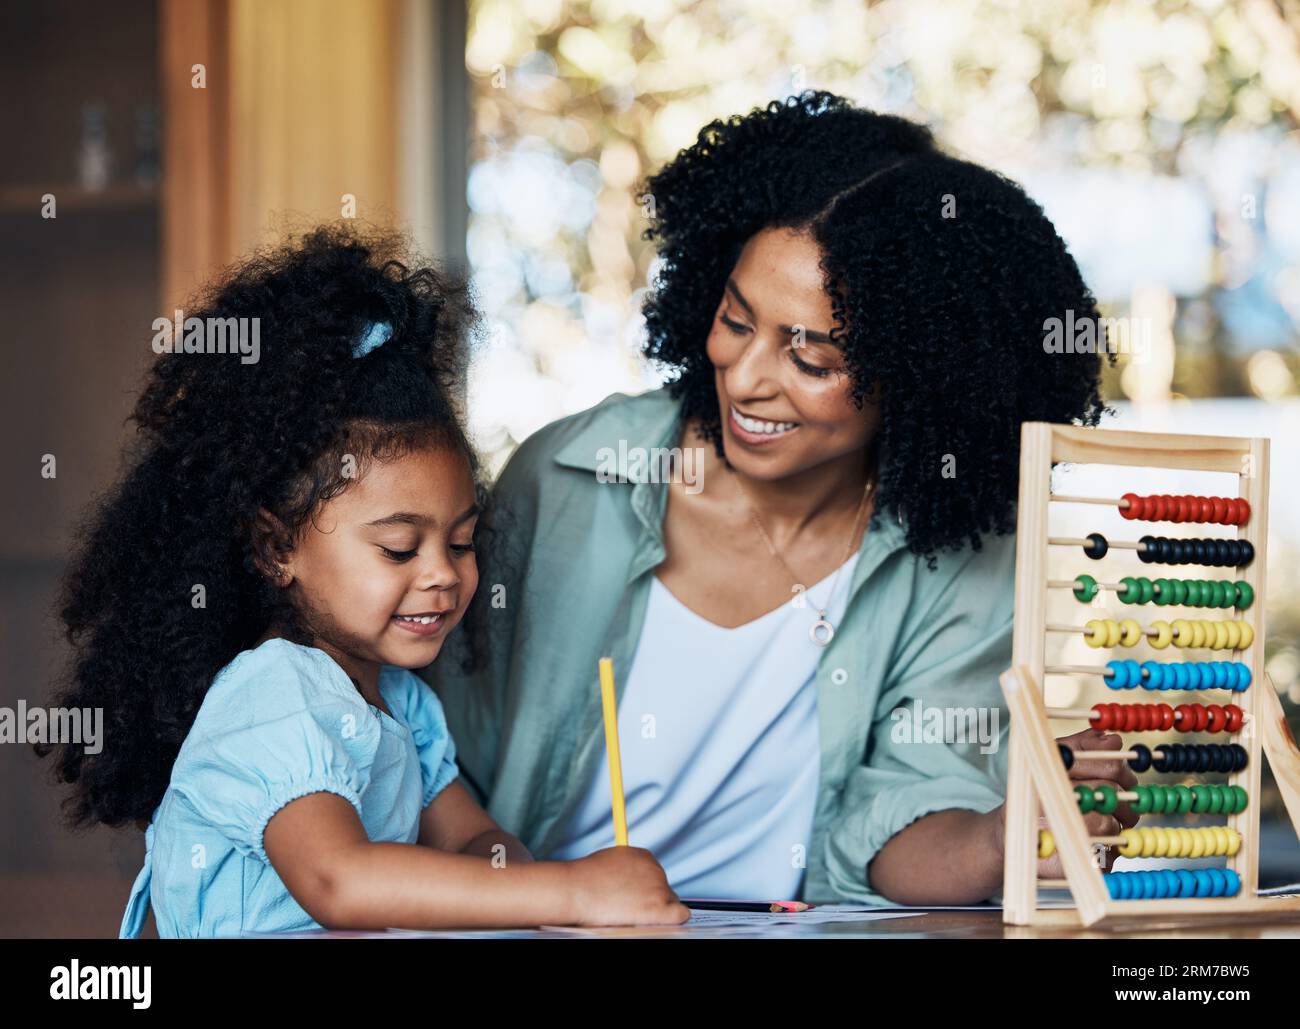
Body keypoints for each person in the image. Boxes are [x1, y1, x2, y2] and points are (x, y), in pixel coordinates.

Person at [428, 91, 1136, 905]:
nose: (747, 377)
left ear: (917, 379)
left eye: (813, 359)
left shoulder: (960, 558)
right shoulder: (569, 479)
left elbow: (899, 820)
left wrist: (1002, 836)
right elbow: (429, 755)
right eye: (736, 319)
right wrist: (532, 895)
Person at [35, 225, 689, 936]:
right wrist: (570, 894)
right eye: (400, 548)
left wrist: (526, 876)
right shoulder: (272, 697)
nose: (443, 573)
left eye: (463, 540)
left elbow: (474, 842)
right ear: (275, 545)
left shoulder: (405, 707)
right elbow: (339, 880)